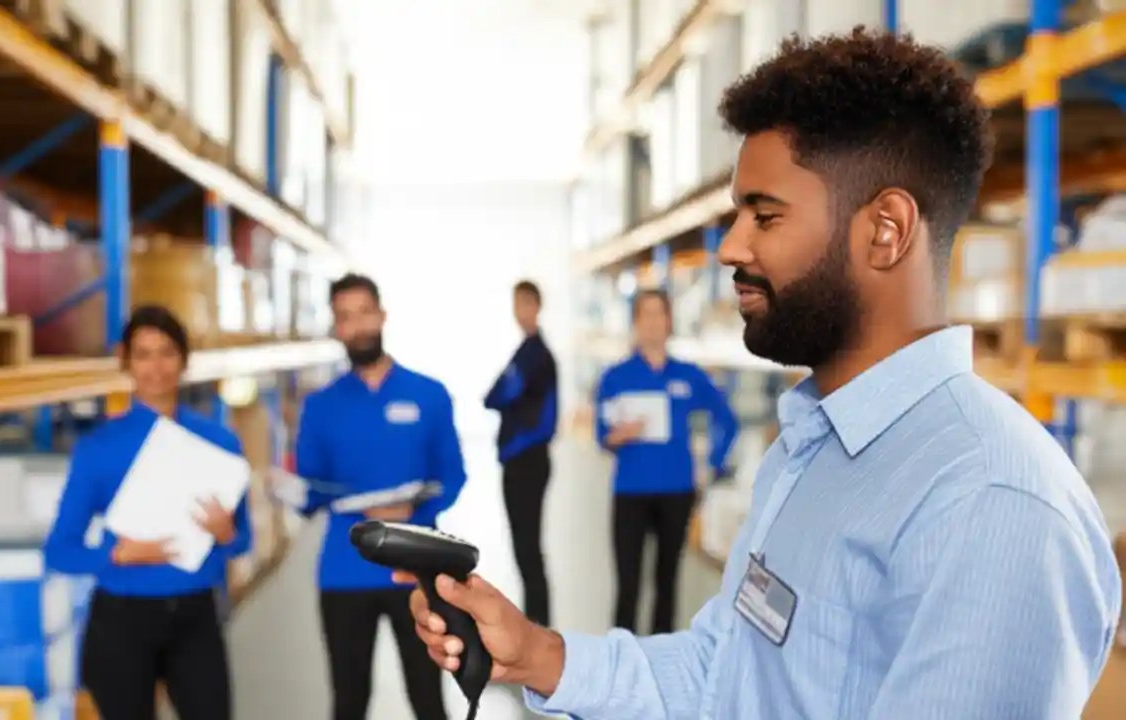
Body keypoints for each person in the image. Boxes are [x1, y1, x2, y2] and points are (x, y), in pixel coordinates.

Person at [399, 29, 1123, 719]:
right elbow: (727, 674)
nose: (730, 247)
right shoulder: (810, 448)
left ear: (886, 231)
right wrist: (541, 656)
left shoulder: (989, 505)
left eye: (764, 216)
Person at [44, 305, 251, 720]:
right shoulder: (99, 448)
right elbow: (59, 551)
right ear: (125, 362)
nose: (156, 367)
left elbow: (243, 541)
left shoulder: (219, 443)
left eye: (167, 353)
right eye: (143, 355)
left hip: (195, 614)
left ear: (184, 359)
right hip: (122, 619)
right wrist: (119, 555)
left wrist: (226, 532)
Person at [295, 273, 466, 720]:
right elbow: (308, 489)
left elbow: (453, 475)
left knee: (428, 699)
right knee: (349, 702)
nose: (358, 326)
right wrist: (292, 492)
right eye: (345, 317)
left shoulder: (429, 395)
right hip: (344, 572)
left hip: (416, 568)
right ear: (336, 327)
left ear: (382, 315)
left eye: (364, 313)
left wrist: (417, 507)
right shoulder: (320, 406)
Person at [596, 288, 739, 633]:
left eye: (659, 313)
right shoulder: (615, 378)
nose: (653, 322)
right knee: (628, 583)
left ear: (669, 321)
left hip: (676, 492)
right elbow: (602, 435)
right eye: (645, 314)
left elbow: (726, 418)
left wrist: (714, 462)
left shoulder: (689, 375)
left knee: (667, 582)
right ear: (635, 322)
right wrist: (619, 435)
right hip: (630, 492)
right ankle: (621, 654)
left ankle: (661, 655)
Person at [484, 279, 558, 626]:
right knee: (524, 548)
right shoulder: (525, 352)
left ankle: (538, 627)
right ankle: (536, 624)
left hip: (527, 460)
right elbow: (494, 395)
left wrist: (504, 396)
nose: (519, 311)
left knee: (528, 548)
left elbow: (501, 395)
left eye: (525, 303)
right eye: (516, 304)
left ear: (537, 306)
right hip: (519, 460)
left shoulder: (537, 357)